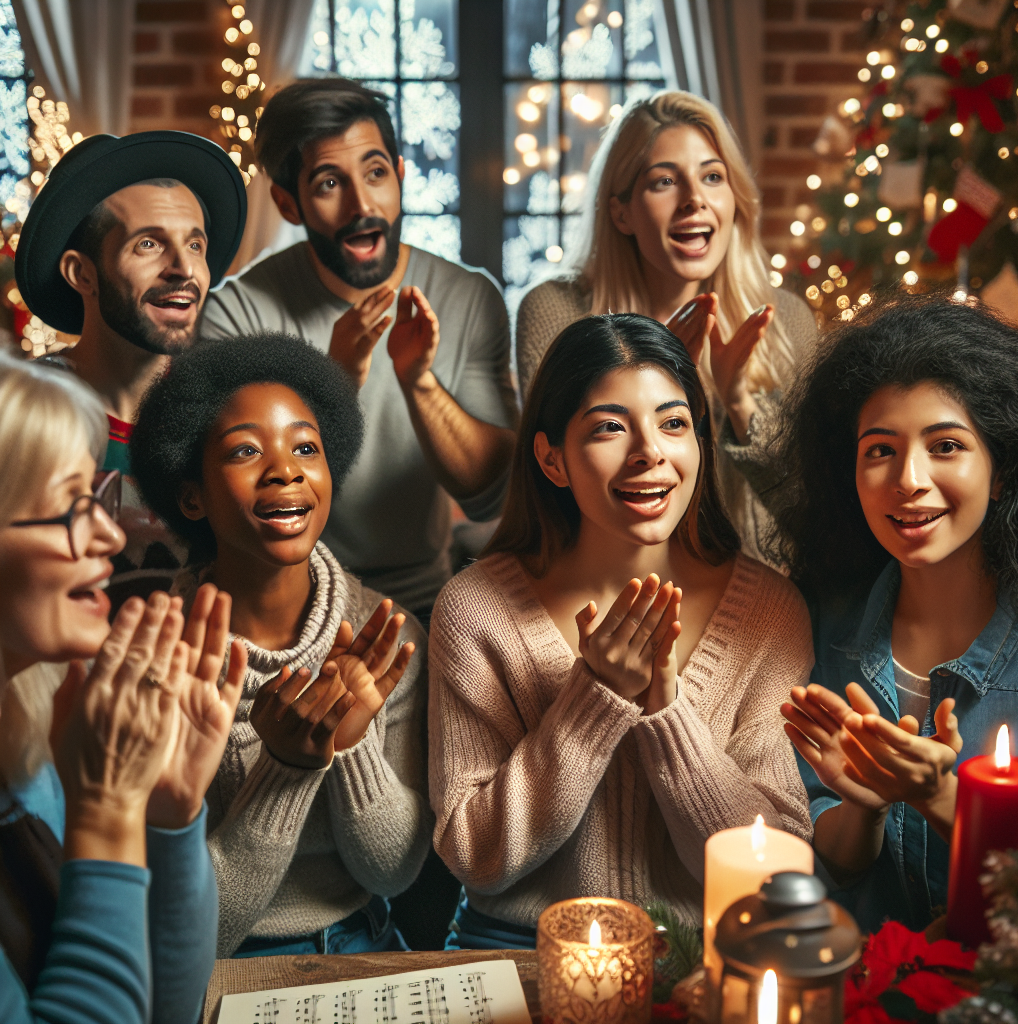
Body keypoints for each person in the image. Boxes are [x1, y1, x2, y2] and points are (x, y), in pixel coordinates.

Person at [428, 313, 813, 949]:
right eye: (610, 427)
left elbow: (774, 870)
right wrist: (594, 698)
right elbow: (474, 853)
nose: (649, 452)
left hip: (699, 957)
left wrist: (666, 711)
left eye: (673, 423)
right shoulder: (477, 608)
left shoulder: (768, 612)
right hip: (517, 949)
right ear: (552, 460)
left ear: (700, 442)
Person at [130, 333, 432, 958]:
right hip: (226, 966)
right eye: (246, 450)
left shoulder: (388, 634)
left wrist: (350, 742)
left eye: (305, 447)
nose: (286, 470)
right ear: (191, 496)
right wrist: (287, 769)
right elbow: (194, 931)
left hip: (370, 942)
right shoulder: (153, 658)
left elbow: (394, 874)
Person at [201, 78, 519, 622]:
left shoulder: (468, 297)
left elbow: (492, 493)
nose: (362, 204)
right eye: (329, 183)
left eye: (375, 173)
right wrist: (335, 382)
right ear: (288, 203)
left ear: (400, 173)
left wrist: (419, 381)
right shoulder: (235, 314)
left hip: (424, 599)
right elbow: (229, 499)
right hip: (284, 605)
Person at [0, 351, 246, 1024]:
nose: (110, 536)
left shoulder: (36, 738)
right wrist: (107, 813)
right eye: (68, 509)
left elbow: (170, 1008)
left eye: (98, 498)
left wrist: (170, 814)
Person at [770, 297, 1018, 934]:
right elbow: (834, 865)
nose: (909, 479)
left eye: (946, 446)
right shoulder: (816, 624)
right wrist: (866, 804)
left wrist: (939, 796)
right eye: (880, 450)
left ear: (1000, 471)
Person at [515, 91, 818, 559]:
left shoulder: (786, 320)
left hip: (756, 578)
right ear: (621, 212)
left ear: (734, 199)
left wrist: (739, 400)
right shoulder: (557, 312)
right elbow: (551, 494)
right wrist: (655, 378)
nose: (694, 200)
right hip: (608, 576)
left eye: (712, 176)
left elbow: (808, 509)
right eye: (664, 182)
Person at [15, 131, 246, 606]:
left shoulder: (228, 415)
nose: (184, 269)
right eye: (149, 244)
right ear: (82, 274)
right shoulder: (23, 421)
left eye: (196, 245)